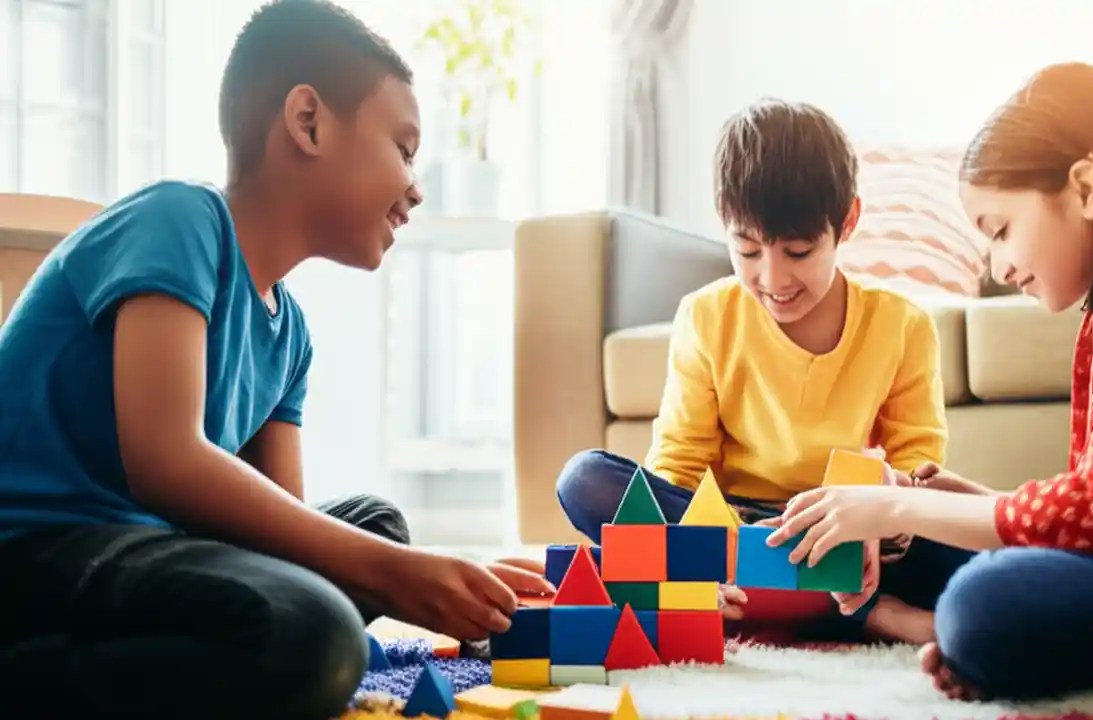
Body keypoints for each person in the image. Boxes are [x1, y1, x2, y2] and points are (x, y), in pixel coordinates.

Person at [0, 1, 550, 717]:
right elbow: (165, 460)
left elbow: (280, 530)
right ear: (308, 122)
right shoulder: (178, 220)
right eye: (405, 149)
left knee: (376, 524)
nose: (416, 187)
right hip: (36, 554)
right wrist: (397, 577)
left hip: (144, 560)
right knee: (317, 633)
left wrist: (447, 574)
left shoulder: (289, 334)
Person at [767, 62, 1093, 702]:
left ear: (1086, 188)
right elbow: (1089, 513)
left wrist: (893, 504)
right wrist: (960, 499)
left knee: (979, 606)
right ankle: (928, 619)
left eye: (1001, 232)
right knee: (914, 549)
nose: (999, 266)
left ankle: (911, 624)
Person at [556, 97, 958, 635]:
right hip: (731, 524)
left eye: (797, 252)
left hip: (843, 524)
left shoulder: (903, 324)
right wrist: (686, 551)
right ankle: (860, 613)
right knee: (587, 480)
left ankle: (820, 601)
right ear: (724, 226)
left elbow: (916, 465)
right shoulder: (705, 316)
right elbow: (681, 460)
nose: (773, 279)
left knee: (972, 558)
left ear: (847, 222)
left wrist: (878, 511)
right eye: (747, 251)